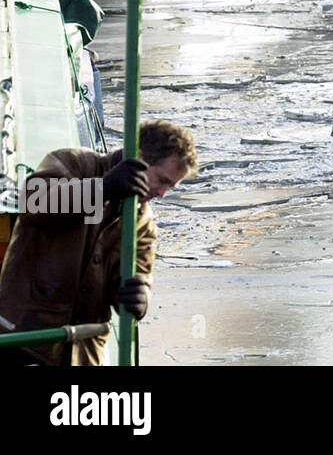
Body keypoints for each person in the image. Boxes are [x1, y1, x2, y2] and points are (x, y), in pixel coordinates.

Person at [0, 120, 198, 366]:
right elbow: (34, 204)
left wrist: (140, 296)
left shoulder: (141, 224)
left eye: (172, 186)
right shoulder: (73, 164)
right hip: (23, 338)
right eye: (162, 180)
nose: (162, 193)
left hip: (82, 354)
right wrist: (103, 188)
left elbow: (139, 274)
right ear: (139, 157)